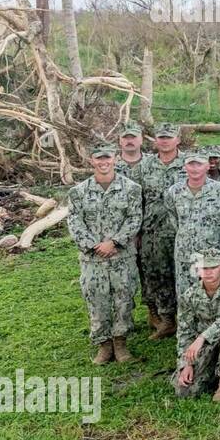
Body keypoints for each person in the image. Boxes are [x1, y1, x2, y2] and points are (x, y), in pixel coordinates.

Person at [68, 142, 143, 365]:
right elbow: (74, 222)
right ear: (92, 161)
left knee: (124, 298)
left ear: (116, 158)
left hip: (121, 256)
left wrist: (114, 242)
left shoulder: (131, 189)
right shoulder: (78, 192)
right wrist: (94, 246)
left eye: (107, 157)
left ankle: (120, 344)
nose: (103, 162)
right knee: (96, 300)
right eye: (99, 158)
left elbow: (134, 218)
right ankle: (104, 345)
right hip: (93, 259)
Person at [172, 252, 220, 402]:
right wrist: (185, 364)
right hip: (206, 344)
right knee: (184, 391)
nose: (208, 272)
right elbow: (184, 331)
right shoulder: (189, 295)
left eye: (213, 267)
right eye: (203, 268)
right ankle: (212, 368)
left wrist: (202, 338)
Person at [137, 122, 185, 339]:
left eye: (169, 137)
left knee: (184, 274)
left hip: (181, 230)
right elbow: (137, 199)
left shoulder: (188, 164)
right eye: (161, 137)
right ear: (155, 141)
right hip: (153, 230)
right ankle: (166, 319)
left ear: (178, 140)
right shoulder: (145, 165)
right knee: (156, 274)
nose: (165, 141)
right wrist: (137, 232)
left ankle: (186, 317)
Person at [165, 151, 220, 306]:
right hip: (185, 253)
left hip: (213, 252)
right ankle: (187, 329)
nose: (195, 168)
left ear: (208, 166)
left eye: (199, 164)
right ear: (184, 166)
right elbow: (174, 220)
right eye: (191, 164)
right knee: (186, 295)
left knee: (216, 295)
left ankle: (214, 329)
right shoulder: (174, 192)